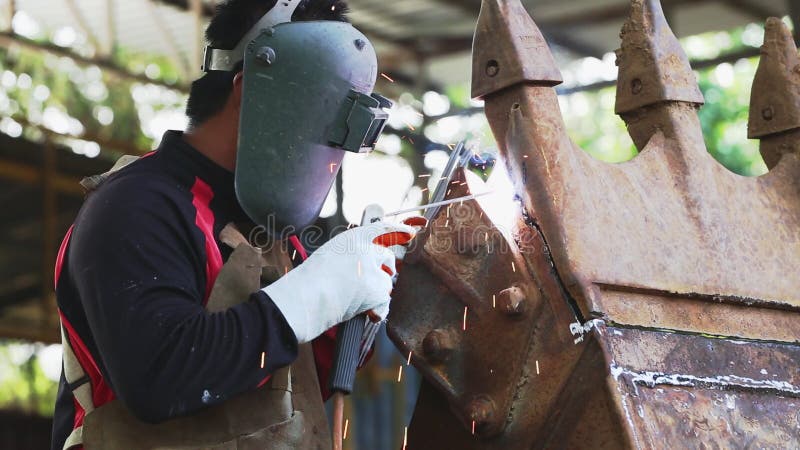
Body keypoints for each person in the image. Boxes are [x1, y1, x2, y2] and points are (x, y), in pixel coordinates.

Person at [51, 0, 412, 448]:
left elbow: (295, 386)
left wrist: (365, 303)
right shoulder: (135, 207)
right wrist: (318, 294)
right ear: (251, 92)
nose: (333, 149)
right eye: (325, 112)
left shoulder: (276, 237)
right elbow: (161, 376)